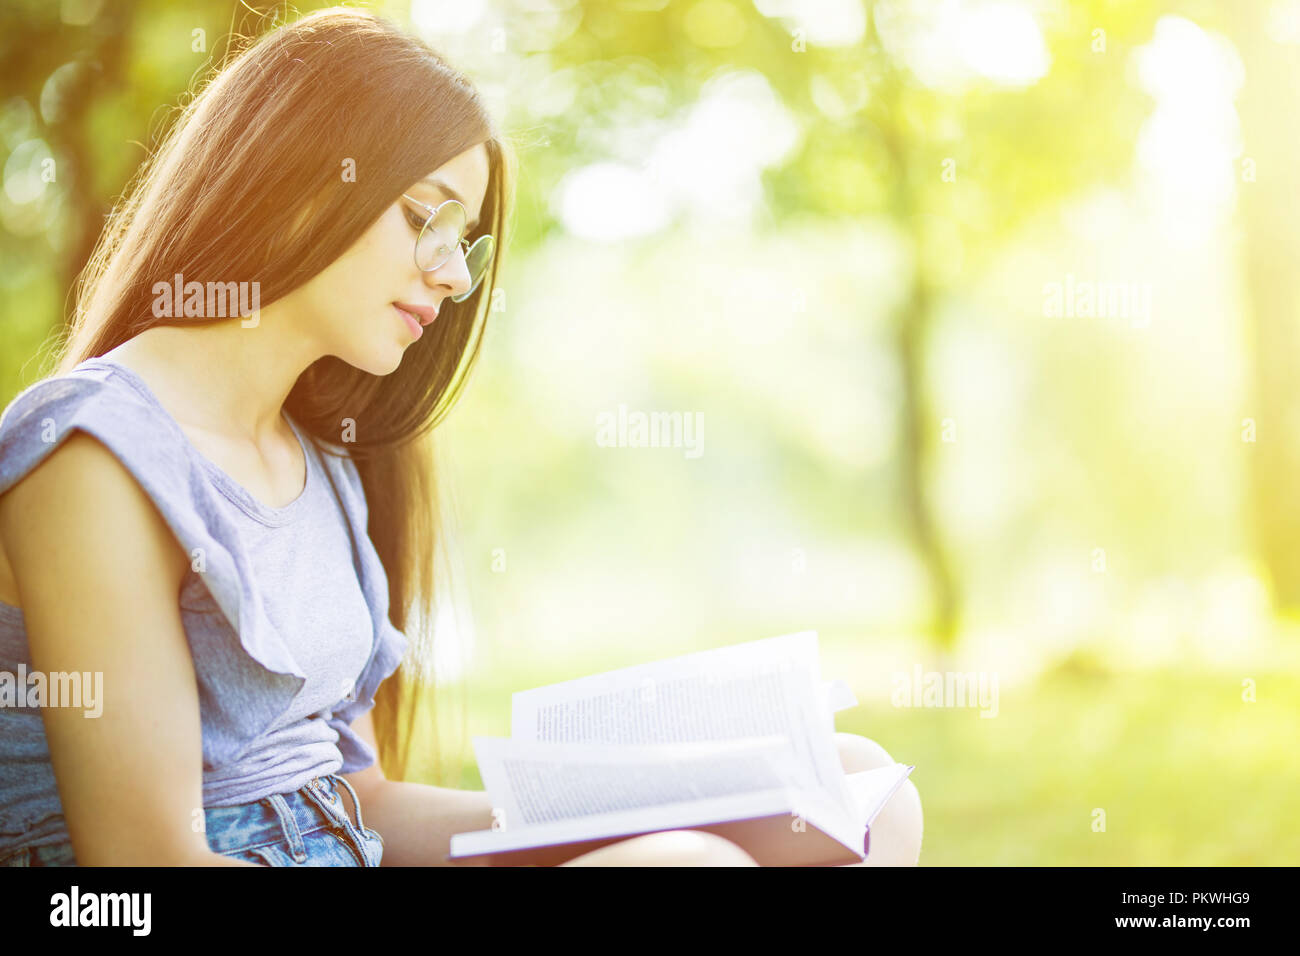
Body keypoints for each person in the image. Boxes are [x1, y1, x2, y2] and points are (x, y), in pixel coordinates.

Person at [0, 6, 921, 867]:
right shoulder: (95, 453)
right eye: (423, 219)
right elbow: (146, 866)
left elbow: (358, 802)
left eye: (465, 243)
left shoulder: (320, 463)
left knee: (854, 787)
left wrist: (651, 801)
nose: (450, 277)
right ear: (295, 176)